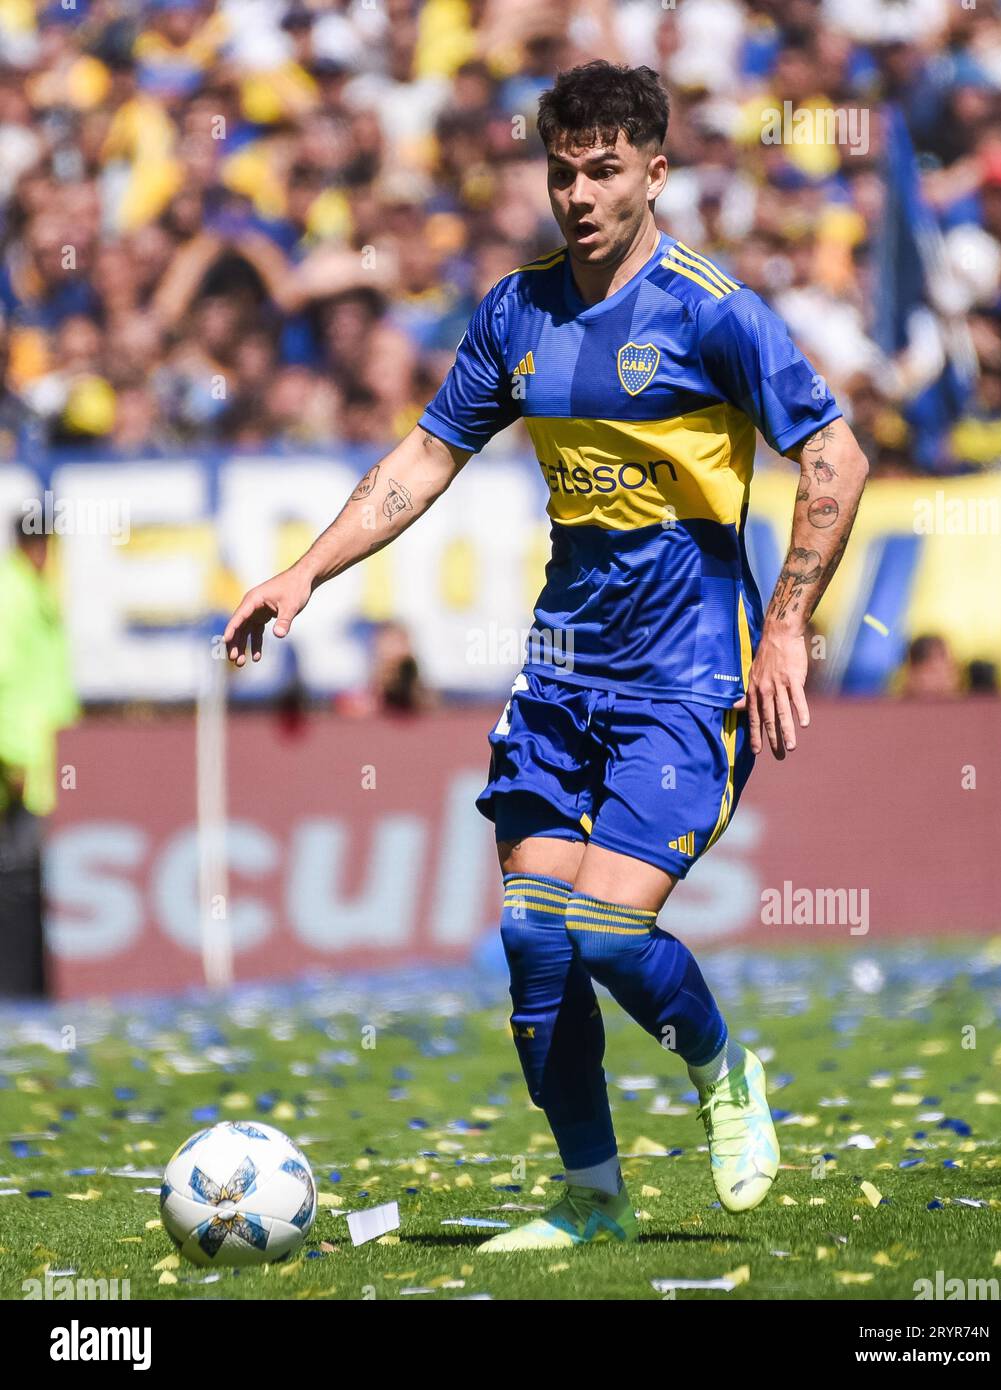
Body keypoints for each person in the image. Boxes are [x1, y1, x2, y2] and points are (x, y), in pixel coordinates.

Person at [223, 61, 869, 1250]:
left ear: (654, 175)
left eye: (604, 172)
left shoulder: (709, 308)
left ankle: (724, 1071)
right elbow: (420, 459)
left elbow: (834, 458)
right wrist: (302, 572)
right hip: (563, 669)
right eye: (562, 172)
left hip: (685, 673)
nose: (577, 196)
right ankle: (591, 1196)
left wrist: (785, 622)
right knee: (531, 935)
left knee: (607, 930)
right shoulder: (515, 312)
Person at [0, 514, 80, 997]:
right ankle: (17, 989)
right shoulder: (12, 596)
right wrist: (12, 759)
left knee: (28, 874)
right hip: (19, 762)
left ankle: (24, 985)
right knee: (19, 876)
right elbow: (6, 681)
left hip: (35, 758)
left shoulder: (32, 590)